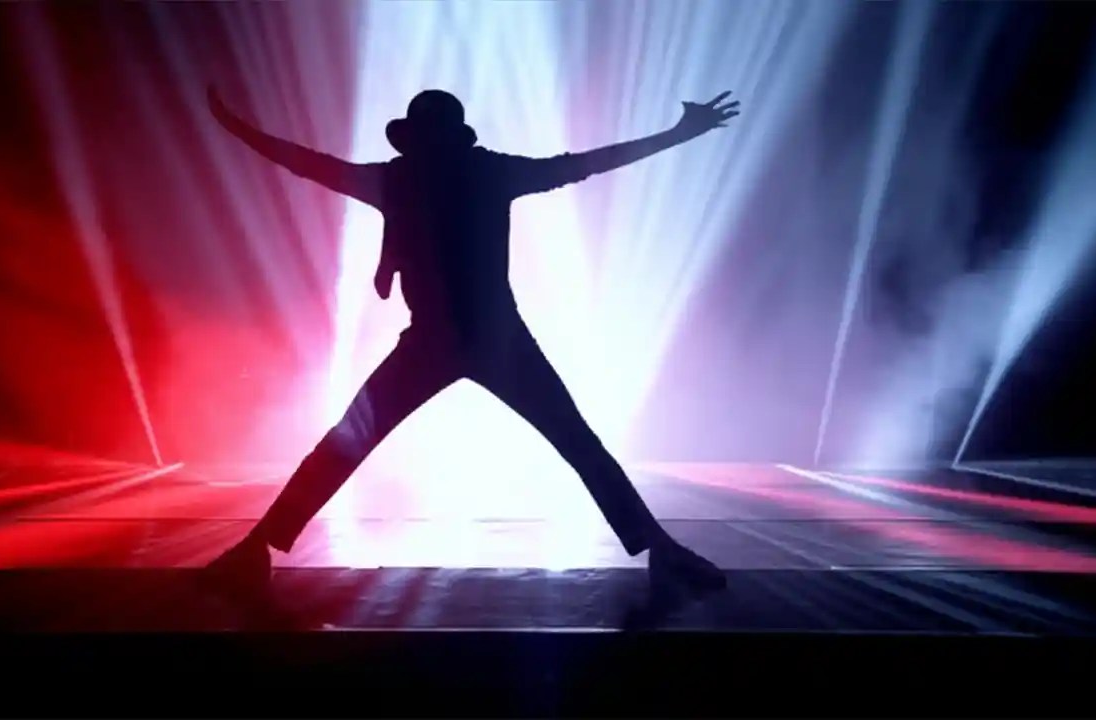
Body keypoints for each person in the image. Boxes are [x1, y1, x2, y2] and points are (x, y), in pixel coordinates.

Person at [204, 85, 740, 603]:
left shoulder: (407, 179)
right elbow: (587, 163)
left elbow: (306, 162)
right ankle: (662, 548)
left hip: (457, 341)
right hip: (480, 340)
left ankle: (256, 548)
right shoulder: (475, 173)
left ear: (415, 139)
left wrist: (238, 128)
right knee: (576, 444)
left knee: (350, 443)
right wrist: (678, 133)